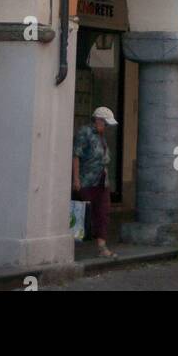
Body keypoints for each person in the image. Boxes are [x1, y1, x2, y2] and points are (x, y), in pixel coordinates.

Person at [73, 106, 117, 257]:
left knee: (103, 212)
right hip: (87, 180)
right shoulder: (85, 132)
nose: (107, 127)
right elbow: (76, 155)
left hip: (102, 180)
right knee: (84, 214)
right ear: (98, 120)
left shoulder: (101, 136)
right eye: (106, 123)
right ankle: (74, 245)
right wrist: (76, 179)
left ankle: (102, 246)